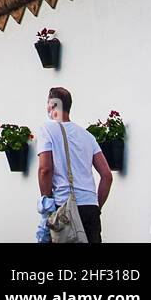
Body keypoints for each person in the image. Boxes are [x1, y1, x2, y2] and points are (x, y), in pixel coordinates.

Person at [37, 86, 112, 243]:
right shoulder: (88, 136)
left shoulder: (47, 129)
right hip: (90, 208)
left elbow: (45, 169)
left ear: (52, 104)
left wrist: (47, 203)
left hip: (64, 208)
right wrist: (96, 206)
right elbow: (107, 176)